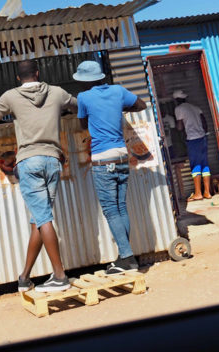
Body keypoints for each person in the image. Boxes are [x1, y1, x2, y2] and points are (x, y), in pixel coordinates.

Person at [0, 59, 77, 293]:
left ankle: (60, 276)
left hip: (29, 162)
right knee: (39, 219)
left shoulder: (11, 96)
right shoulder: (56, 92)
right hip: (52, 160)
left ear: (19, 78)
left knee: (43, 219)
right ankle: (24, 277)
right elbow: (77, 106)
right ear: (38, 73)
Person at [73, 60, 146, 275]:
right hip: (123, 155)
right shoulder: (117, 90)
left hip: (103, 159)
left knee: (110, 209)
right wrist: (119, 106)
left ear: (85, 81)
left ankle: (127, 258)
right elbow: (141, 104)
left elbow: (82, 125)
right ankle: (124, 257)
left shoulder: (84, 97)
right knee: (121, 206)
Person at [173, 90, 211, 202]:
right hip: (202, 138)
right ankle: (207, 192)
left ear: (176, 100)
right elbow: (205, 123)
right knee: (204, 164)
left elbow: (180, 127)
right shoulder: (195, 107)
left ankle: (198, 193)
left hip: (193, 139)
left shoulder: (178, 109)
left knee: (195, 164)